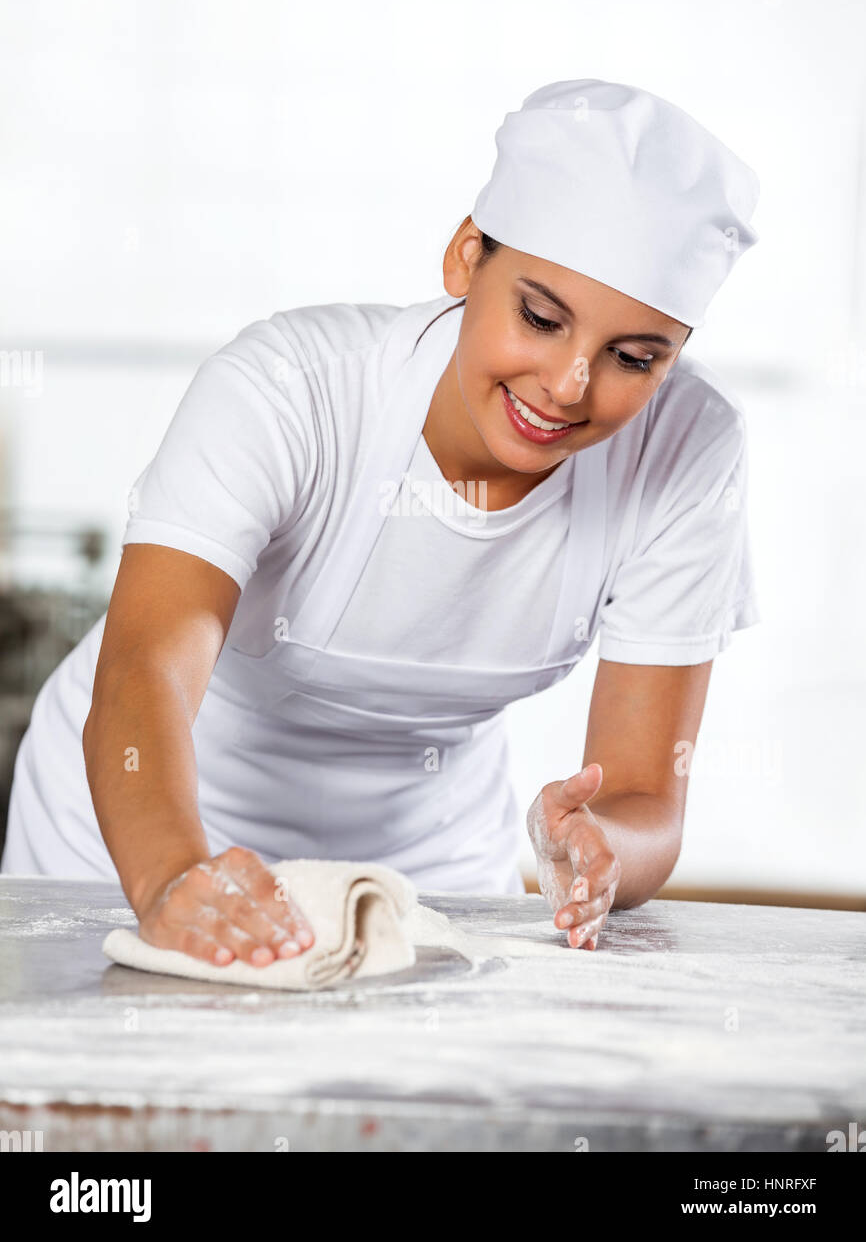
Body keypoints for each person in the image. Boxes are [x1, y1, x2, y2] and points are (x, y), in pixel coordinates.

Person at [1, 78, 761, 972]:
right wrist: (174, 879)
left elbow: (643, 797)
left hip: (431, 860)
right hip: (140, 828)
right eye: (540, 318)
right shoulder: (293, 390)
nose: (568, 385)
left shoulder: (687, 450)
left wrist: (602, 851)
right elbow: (143, 672)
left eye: (635, 358)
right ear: (465, 258)